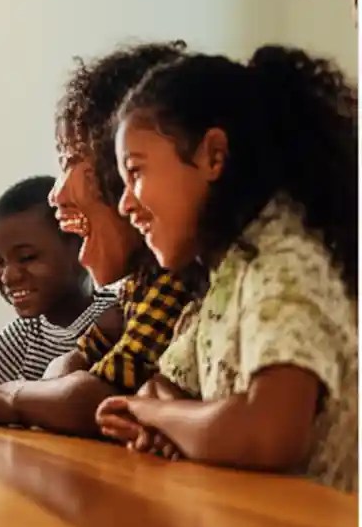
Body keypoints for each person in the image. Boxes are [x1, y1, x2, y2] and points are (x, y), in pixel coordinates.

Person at [95, 46, 357, 493]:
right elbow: (160, 391)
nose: (124, 204)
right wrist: (171, 419)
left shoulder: (284, 262)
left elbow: (268, 433)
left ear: (213, 156)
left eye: (135, 172)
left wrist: (161, 419)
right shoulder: (224, 276)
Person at [0, 42, 204, 436]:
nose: (57, 194)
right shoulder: (131, 297)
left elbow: (94, 401)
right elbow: (71, 369)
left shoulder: (177, 283)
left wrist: (12, 397)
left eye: (71, 160)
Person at [0, 175, 118, 414]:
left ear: (80, 247)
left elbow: (81, 403)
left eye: (27, 258)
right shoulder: (29, 330)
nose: (8, 276)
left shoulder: (113, 319)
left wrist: (2, 397)